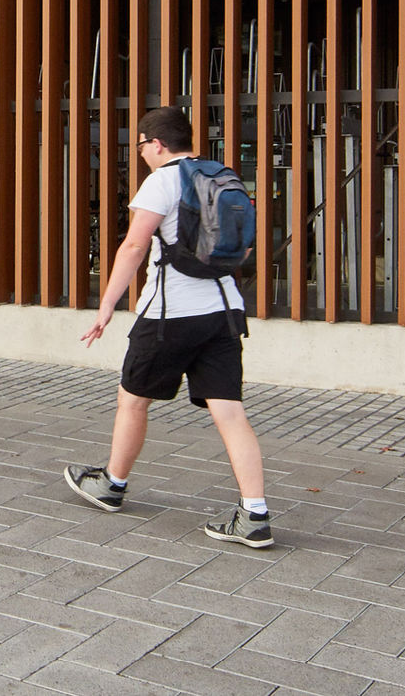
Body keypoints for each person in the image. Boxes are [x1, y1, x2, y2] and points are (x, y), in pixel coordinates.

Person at [63, 106, 273, 548]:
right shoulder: (221, 175)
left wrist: (106, 306)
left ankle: (111, 485)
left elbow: (135, 244)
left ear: (156, 143)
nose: (141, 154)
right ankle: (254, 515)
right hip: (224, 312)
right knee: (230, 411)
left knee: (132, 398)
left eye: (141, 146)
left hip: (168, 316)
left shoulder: (163, 180)